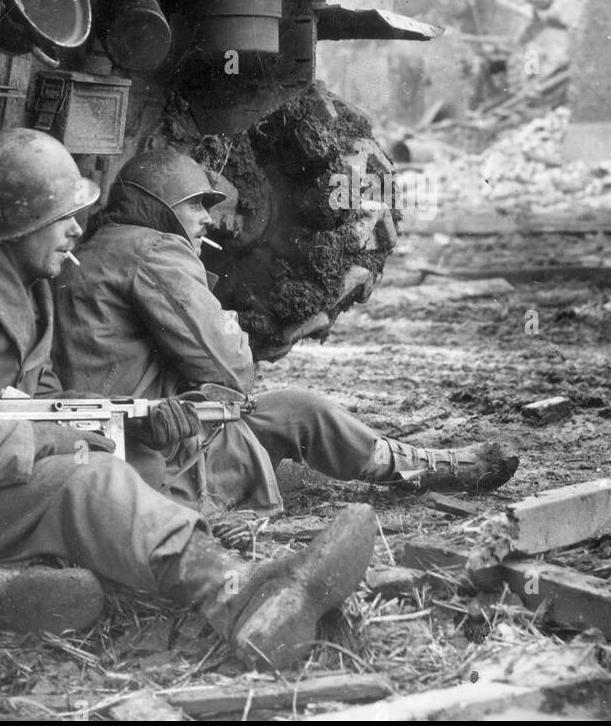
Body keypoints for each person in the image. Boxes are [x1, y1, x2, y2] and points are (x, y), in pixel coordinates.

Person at [0, 128, 375, 670]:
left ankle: (14, 596)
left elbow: (38, 402)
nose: (75, 229)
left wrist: (129, 421)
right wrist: (44, 442)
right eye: (60, 218)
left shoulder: (27, 291)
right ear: (15, 226)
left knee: (107, 469)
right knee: (86, 481)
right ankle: (240, 596)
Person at [51, 148, 519, 516]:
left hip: (130, 441)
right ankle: (426, 469)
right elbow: (231, 369)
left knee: (300, 409)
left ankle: (417, 466)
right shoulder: (155, 250)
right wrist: (226, 324)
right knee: (304, 417)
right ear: (162, 206)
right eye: (196, 206)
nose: (208, 220)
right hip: (160, 455)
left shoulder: (103, 250)